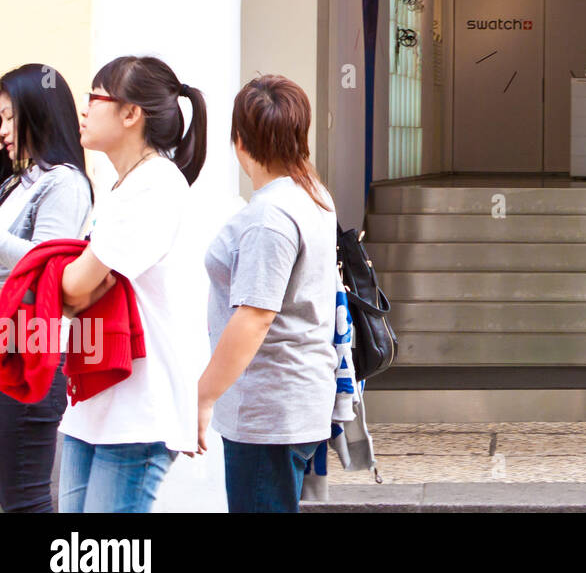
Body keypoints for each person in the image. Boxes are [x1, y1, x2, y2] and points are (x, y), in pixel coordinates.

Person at [56, 55, 207, 513]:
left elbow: (72, 287)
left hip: (139, 408)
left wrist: (75, 281)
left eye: (94, 97)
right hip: (99, 399)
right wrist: (78, 282)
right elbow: (79, 287)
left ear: (130, 114)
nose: (84, 109)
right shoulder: (126, 185)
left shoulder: (154, 187)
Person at [198, 75, 337, 512]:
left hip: (267, 411)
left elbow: (255, 317)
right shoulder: (312, 194)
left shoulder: (268, 217)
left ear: (239, 140)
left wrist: (204, 395)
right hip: (293, 400)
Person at [0, 65, 94, 512]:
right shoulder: (18, 182)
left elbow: (47, 264)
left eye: (9, 117)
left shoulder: (65, 183)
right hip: (11, 346)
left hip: (32, 352)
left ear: (38, 112)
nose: (2, 130)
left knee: (24, 497)